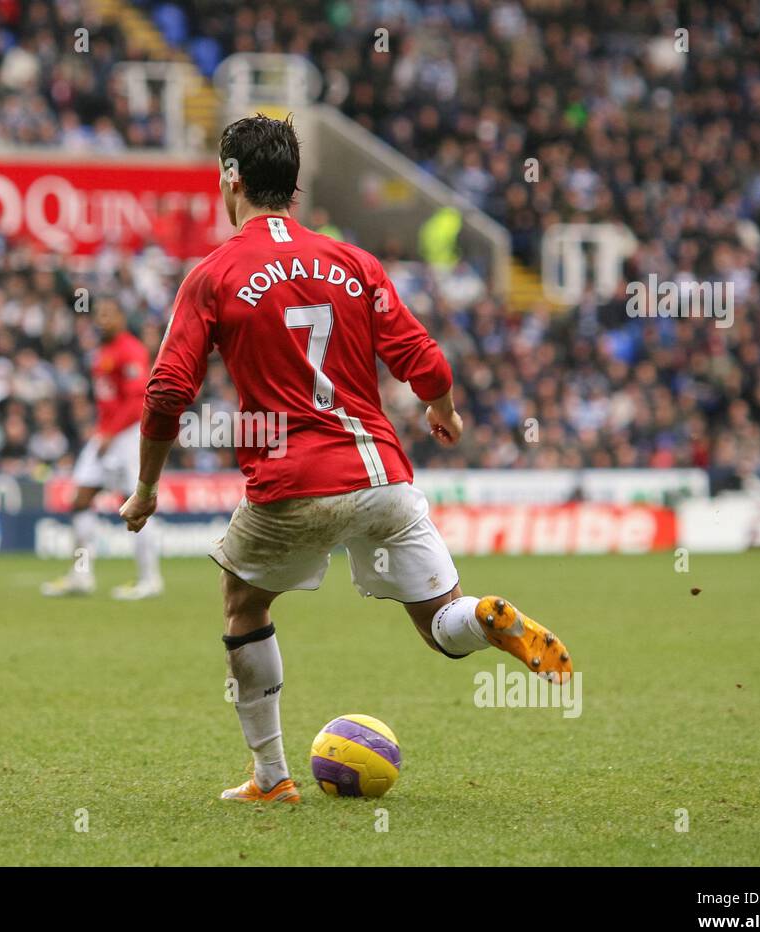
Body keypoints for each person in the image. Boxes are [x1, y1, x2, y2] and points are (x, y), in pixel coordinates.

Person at [118, 115, 573, 803]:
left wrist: (147, 486)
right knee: (440, 625)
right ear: (295, 189)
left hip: (290, 480)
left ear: (231, 179)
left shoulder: (213, 274)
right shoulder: (352, 262)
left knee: (244, 603)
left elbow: (167, 391)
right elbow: (425, 359)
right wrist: (441, 409)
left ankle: (271, 779)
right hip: (382, 474)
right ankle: (483, 615)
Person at [42, 296, 164, 600]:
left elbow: (138, 400)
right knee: (80, 499)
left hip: (125, 436)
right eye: (98, 314)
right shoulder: (102, 351)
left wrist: (110, 432)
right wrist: (102, 430)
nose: (102, 319)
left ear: (122, 317)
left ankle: (149, 579)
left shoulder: (131, 350)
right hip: (105, 435)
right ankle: (81, 576)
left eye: (108, 314)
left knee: (134, 506)